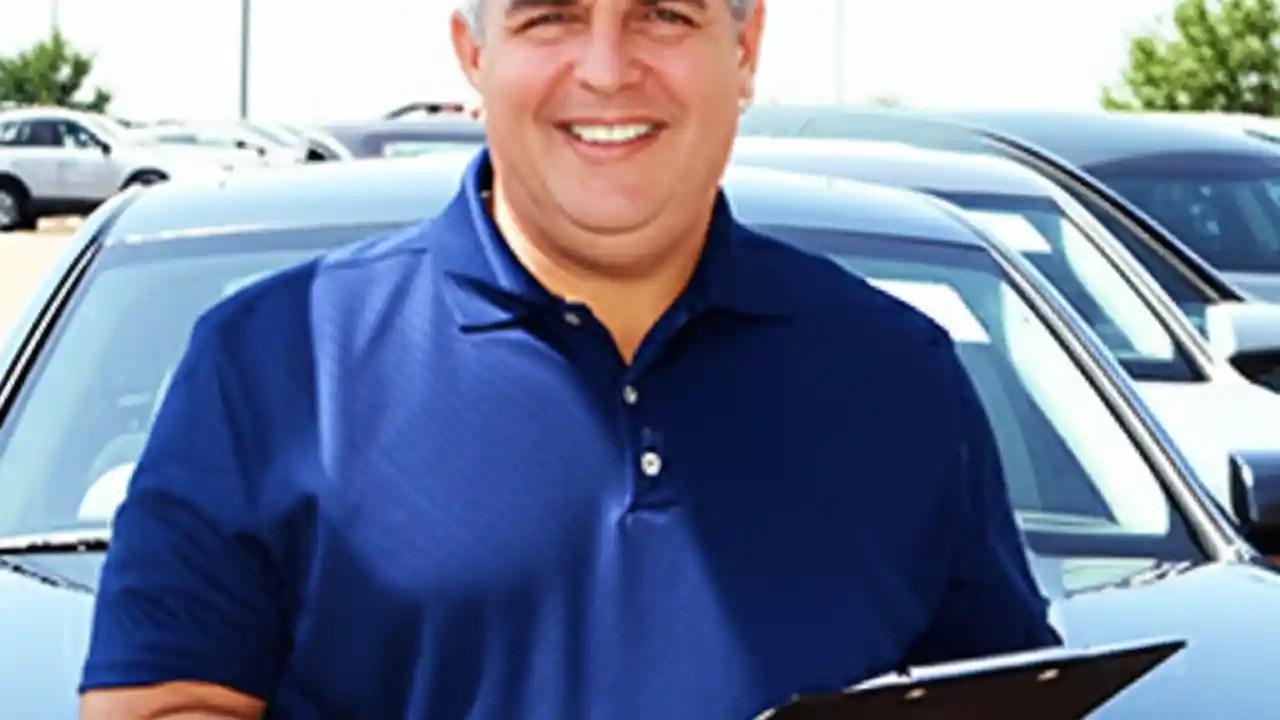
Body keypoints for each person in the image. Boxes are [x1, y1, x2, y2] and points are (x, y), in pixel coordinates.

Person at [78, 0, 1061, 718]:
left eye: (660, 17)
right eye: (551, 17)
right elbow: (159, 707)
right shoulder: (272, 366)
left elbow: (999, 694)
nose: (604, 68)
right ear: (472, 54)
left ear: (745, 46)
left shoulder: (896, 375)